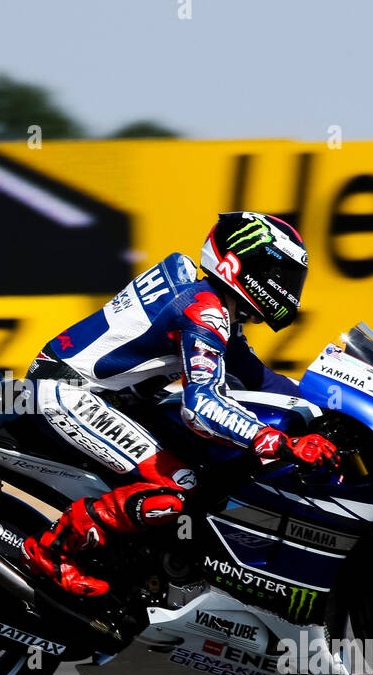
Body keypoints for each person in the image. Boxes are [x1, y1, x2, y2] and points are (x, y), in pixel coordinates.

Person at [21, 211, 341, 597]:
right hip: (70, 392)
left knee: (209, 461)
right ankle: (52, 551)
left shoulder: (210, 299)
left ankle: (141, 560)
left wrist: (331, 409)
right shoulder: (203, 310)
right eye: (279, 275)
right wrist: (280, 442)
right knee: (180, 488)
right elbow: (201, 406)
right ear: (240, 263)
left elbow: (257, 378)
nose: (286, 288)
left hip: (109, 393)